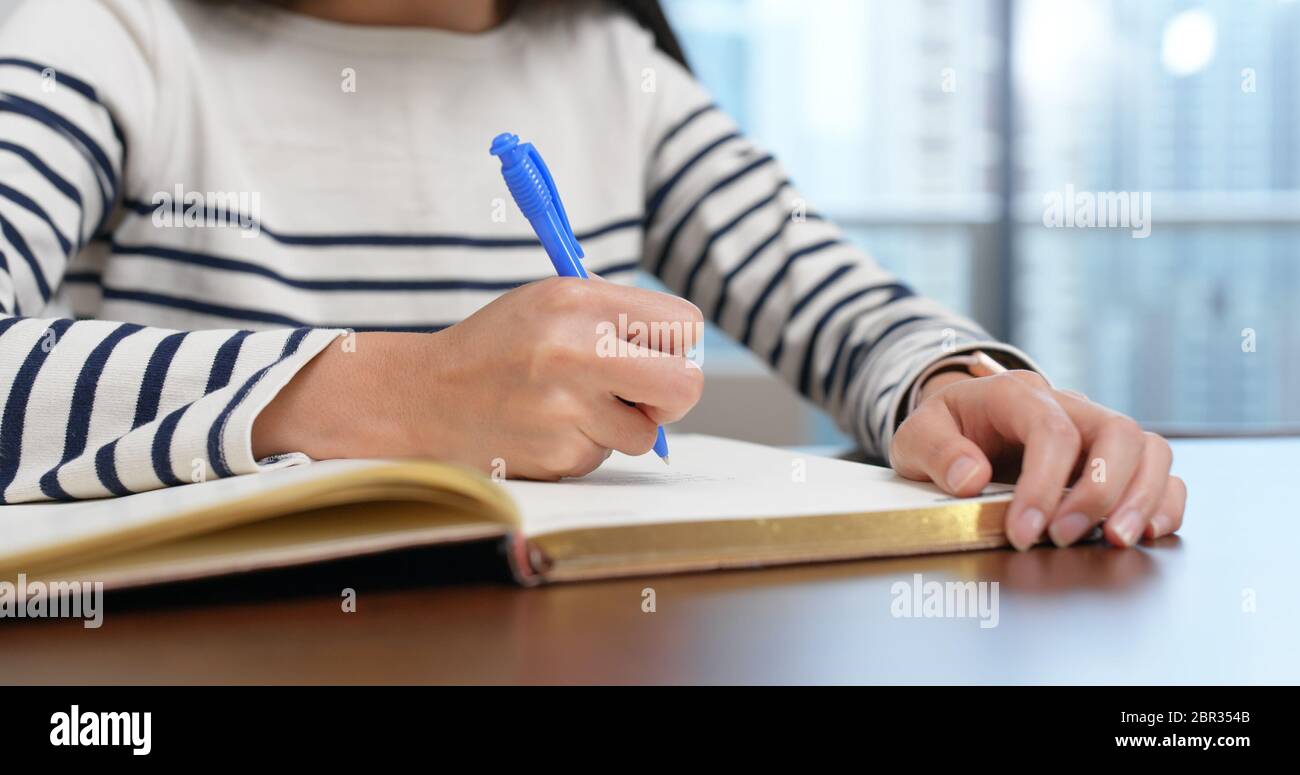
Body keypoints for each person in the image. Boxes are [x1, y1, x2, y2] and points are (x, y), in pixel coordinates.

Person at [0, 0, 1184, 550]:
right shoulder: (104, 30)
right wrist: (397, 395)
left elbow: (834, 298)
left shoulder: (613, 66)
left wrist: (946, 378)